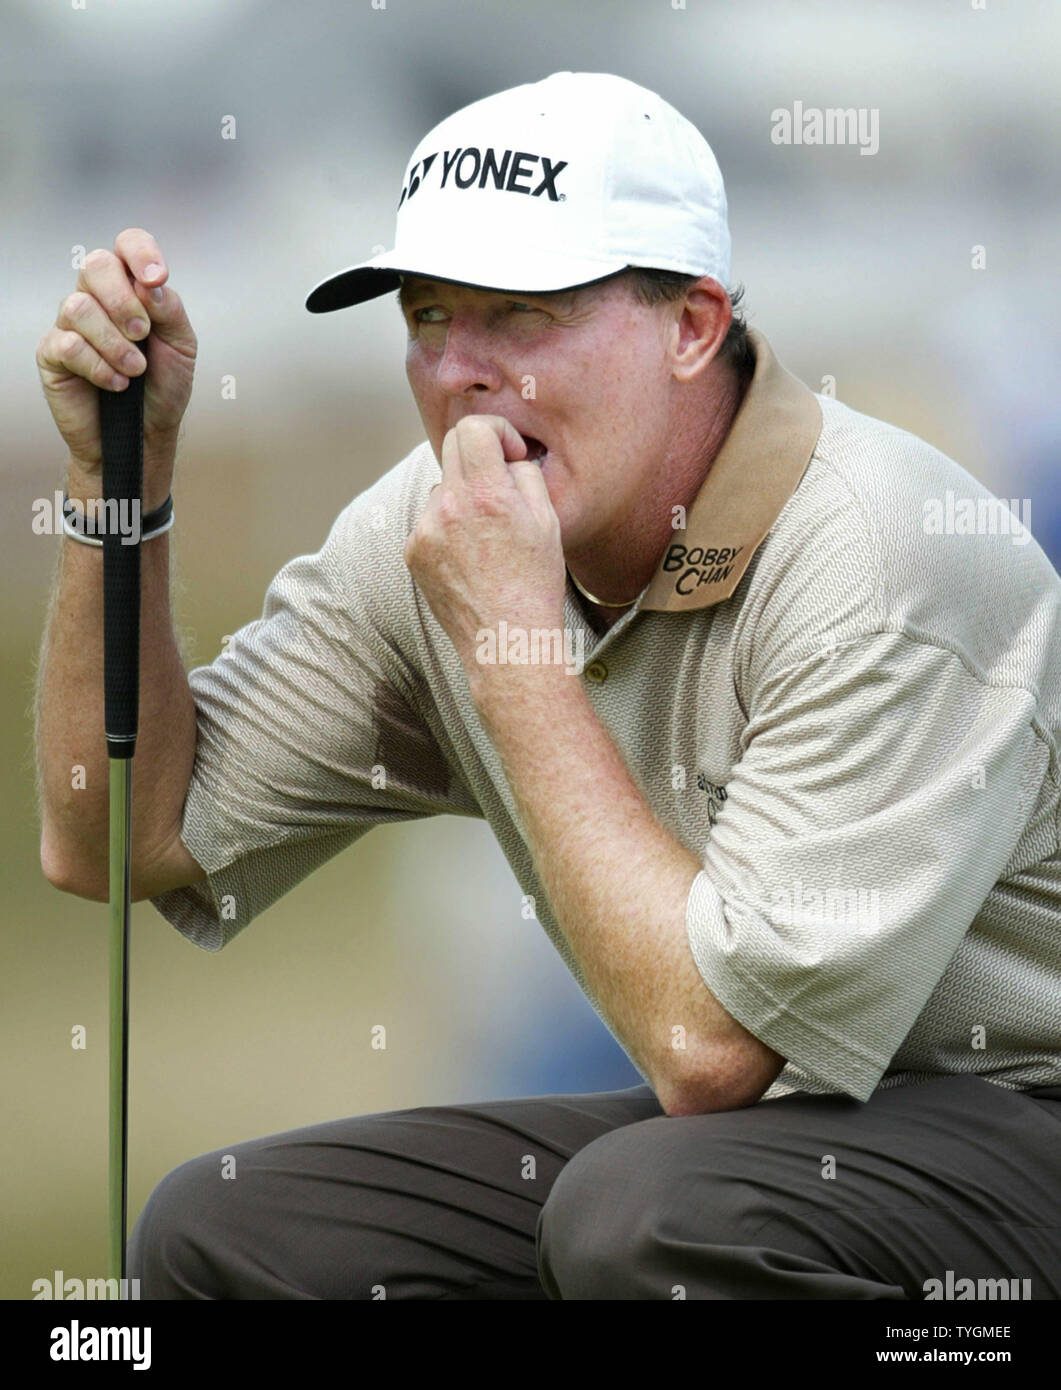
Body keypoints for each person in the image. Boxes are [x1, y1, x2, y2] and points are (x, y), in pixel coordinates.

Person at [35, 71, 1061, 1301]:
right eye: (427, 316)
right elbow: (112, 838)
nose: (460, 372)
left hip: (1015, 1117)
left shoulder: (880, 551)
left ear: (690, 325)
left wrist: (512, 651)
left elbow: (705, 1051)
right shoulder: (432, 533)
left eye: (520, 316)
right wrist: (118, 483)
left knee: (649, 1214)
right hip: (774, 1133)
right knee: (230, 1226)